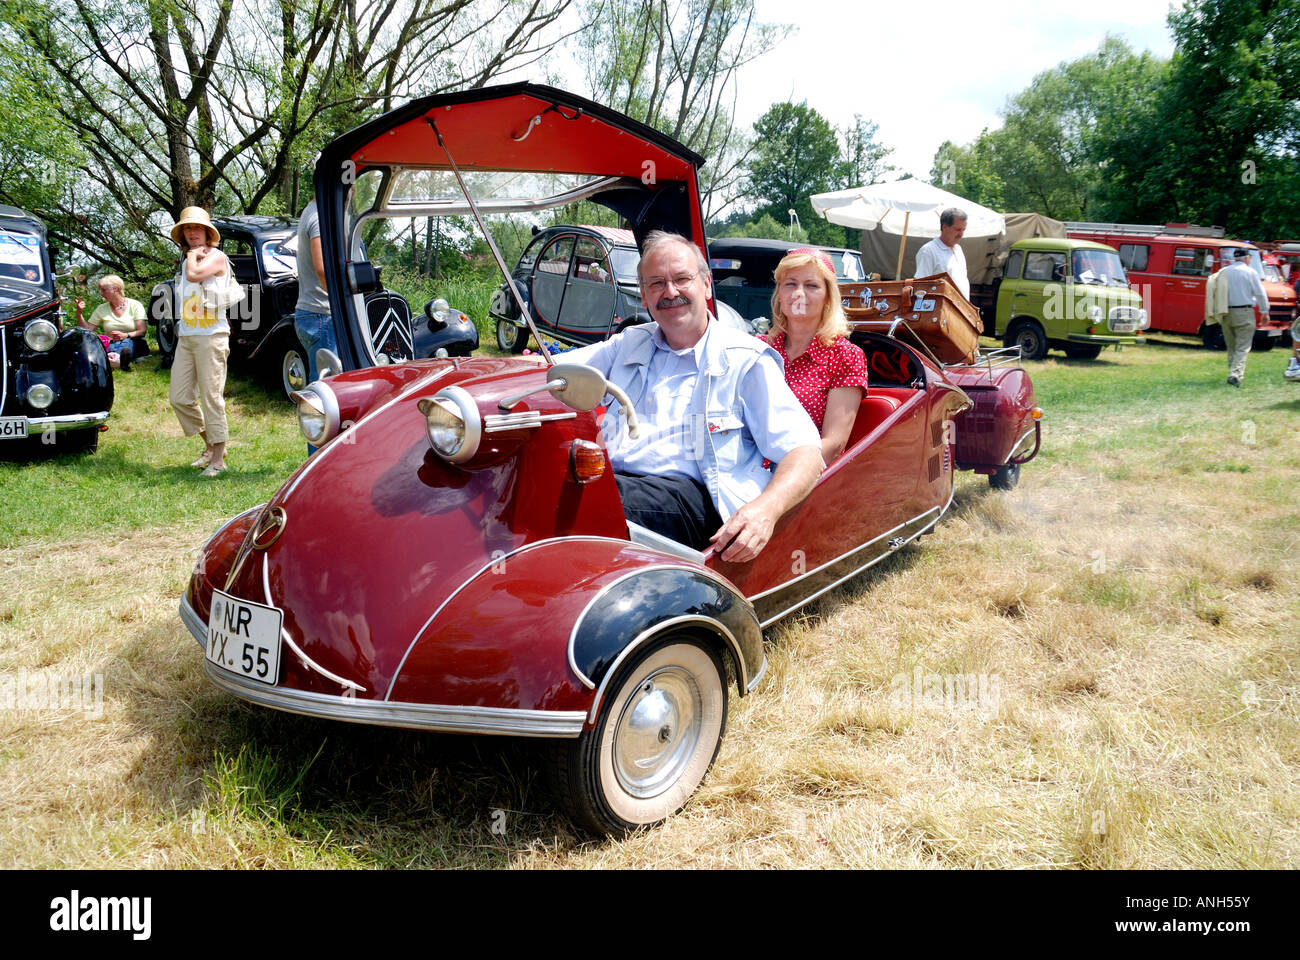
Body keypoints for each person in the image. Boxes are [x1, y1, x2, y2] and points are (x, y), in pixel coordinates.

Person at [566, 230, 823, 561]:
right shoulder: (628, 343)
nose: (670, 292)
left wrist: (764, 512)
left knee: (588, 498)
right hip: (616, 481)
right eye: (656, 283)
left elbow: (804, 452)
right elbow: (551, 373)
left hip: (697, 498)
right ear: (643, 296)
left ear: (705, 285)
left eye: (681, 279)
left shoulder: (746, 359)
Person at [758, 248, 867, 463]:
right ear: (779, 293)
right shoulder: (759, 348)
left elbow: (833, 445)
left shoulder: (846, 356)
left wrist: (781, 475)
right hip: (746, 469)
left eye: (811, 285)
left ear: (828, 297)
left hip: (807, 474)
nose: (799, 293)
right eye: (790, 284)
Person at [168, 206, 231, 476]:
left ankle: (218, 459)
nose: (192, 232)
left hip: (212, 337)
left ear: (207, 232)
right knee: (179, 398)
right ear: (182, 233)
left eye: (197, 228)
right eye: (187, 228)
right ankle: (210, 444)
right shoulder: (187, 261)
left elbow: (195, 275)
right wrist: (191, 256)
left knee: (211, 397)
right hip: (188, 336)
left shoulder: (216, 256)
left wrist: (193, 255)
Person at [293, 198, 335, 384]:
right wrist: (339, 305)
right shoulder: (319, 217)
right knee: (327, 388)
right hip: (322, 315)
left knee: (322, 385)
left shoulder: (310, 211)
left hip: (313, 314)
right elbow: (323, 270)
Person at [1218, 248, 1269, 386]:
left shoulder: (1224, 272)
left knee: (1231, 346)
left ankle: (1232, 372)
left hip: (1225, 311)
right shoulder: (1250, 272)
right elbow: (1260, 293)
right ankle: (1235, 374)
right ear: (1247, 258)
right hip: (1244, 311)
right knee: (1243, 346)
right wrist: (1265, 311)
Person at [75, 275, 147, 371]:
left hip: (133, 340)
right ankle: (119, 360)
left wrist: (125, 335)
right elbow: (87, 330)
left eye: (104, 290)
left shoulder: (135, 305)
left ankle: (115, 360)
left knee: (127, 343)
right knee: (107, 344)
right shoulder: (101, 308)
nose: (101, 294)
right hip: (111, 343)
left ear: (115, 289)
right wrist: (79, 313)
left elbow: (142, 331)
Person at [913, 207, 970, 299]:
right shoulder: (928, 250)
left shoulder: (958, 249)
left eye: (963, 230)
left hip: (960, 309)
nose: (961, 234)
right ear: (944, 227)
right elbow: (920, 287)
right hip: (939, 310)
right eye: (958, 229)